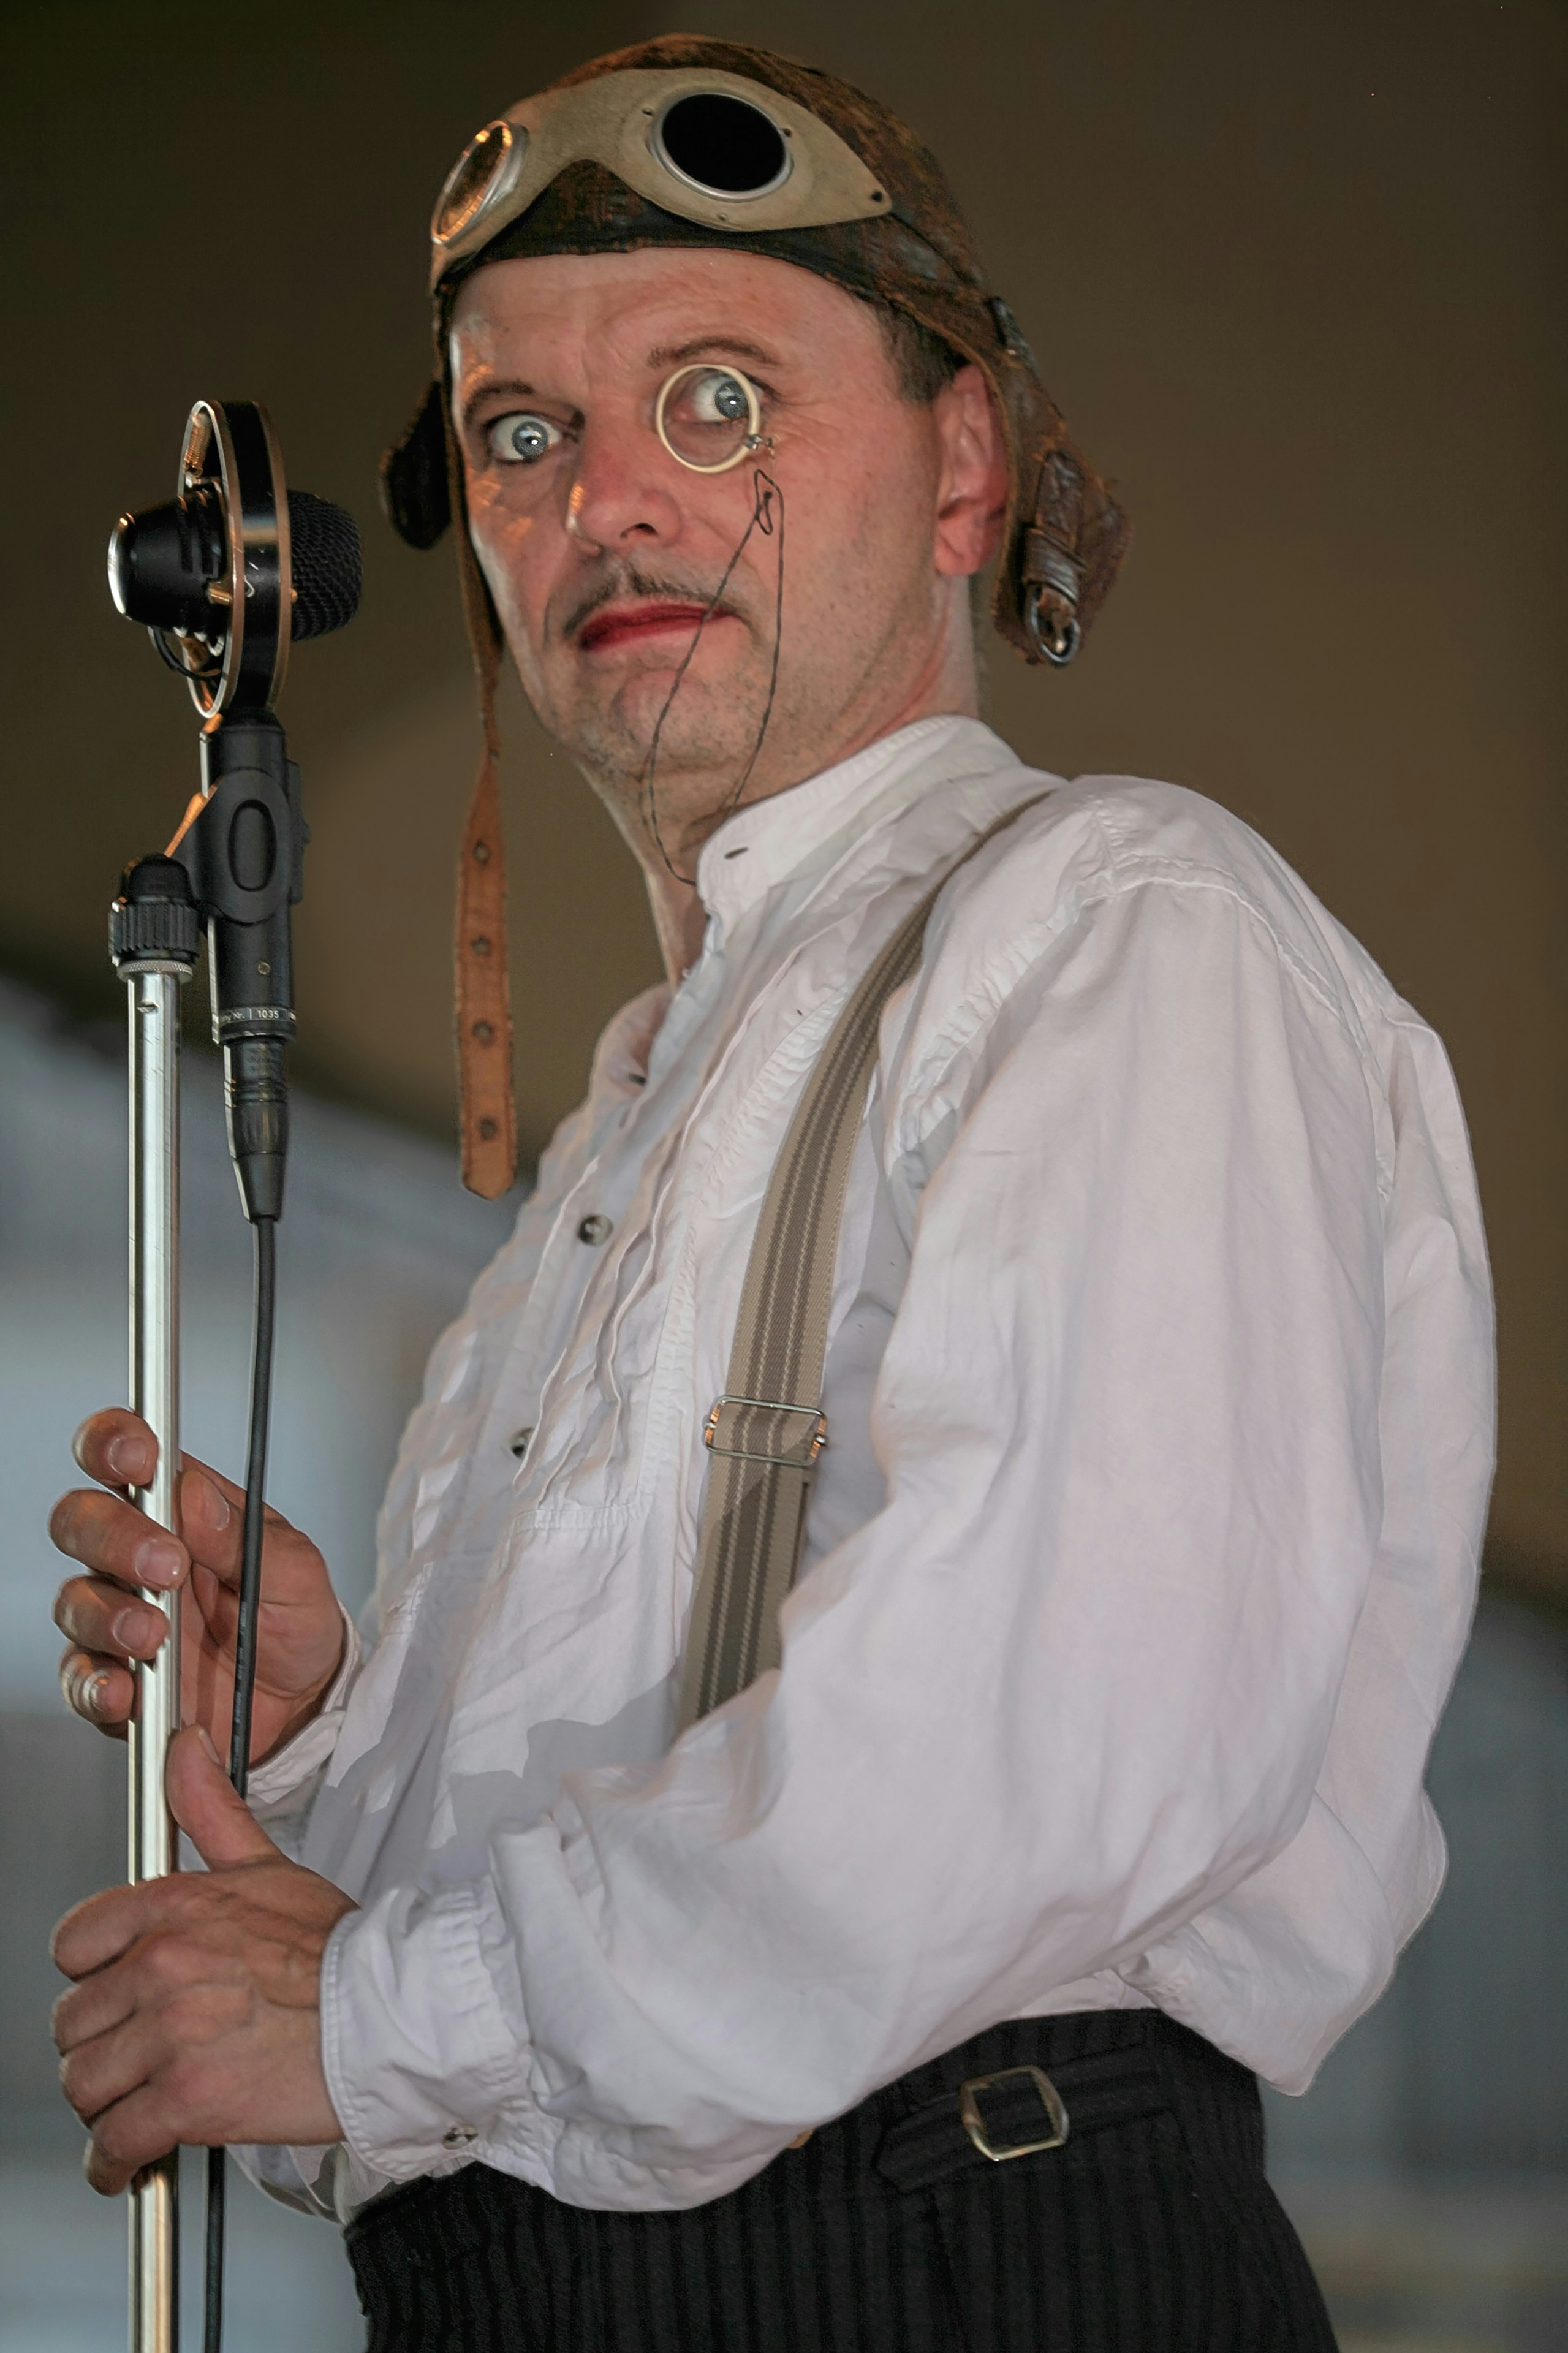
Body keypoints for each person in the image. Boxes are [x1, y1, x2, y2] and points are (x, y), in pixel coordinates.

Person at [47, 37, 1493, 2353]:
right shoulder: (629, 1133)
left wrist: (377, 2012)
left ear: (960, 470)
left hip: (955, 2261)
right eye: (522, 434)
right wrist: (340, 1731)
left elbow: (1045, 1745)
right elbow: (541, 1984)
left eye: (716, 399)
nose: (609, 496)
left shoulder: (1120, 923)